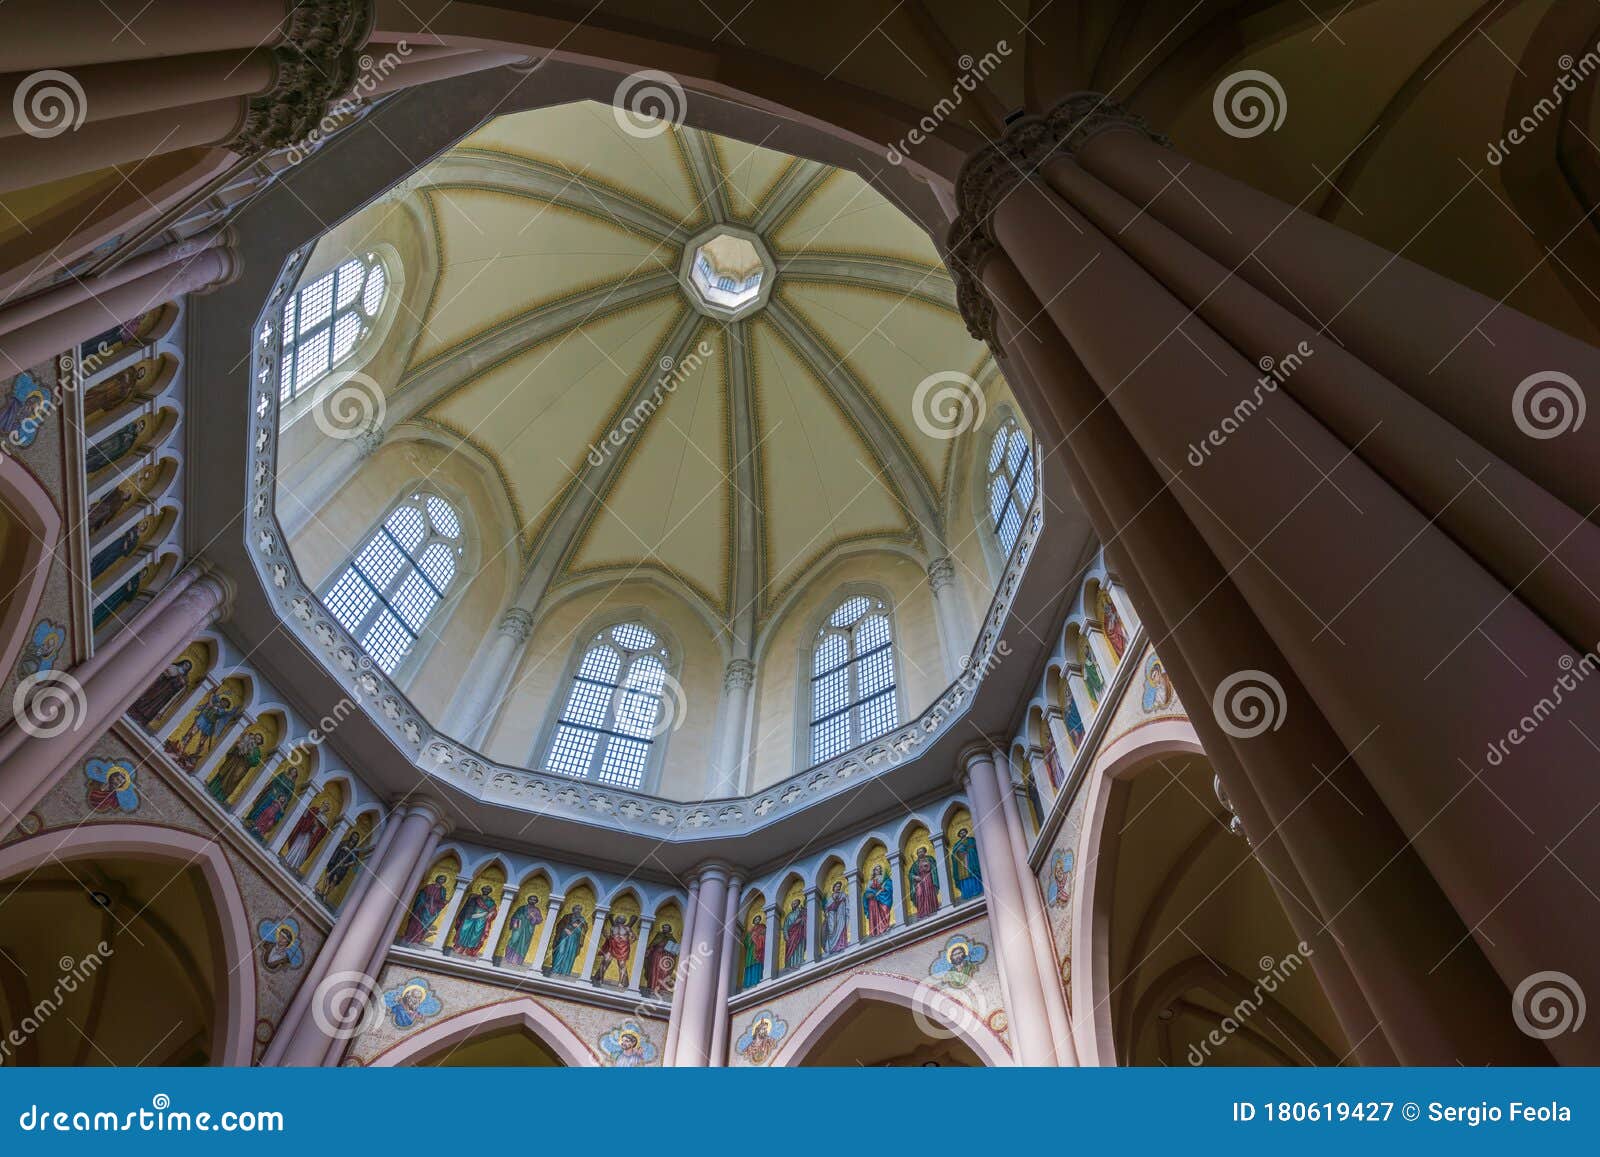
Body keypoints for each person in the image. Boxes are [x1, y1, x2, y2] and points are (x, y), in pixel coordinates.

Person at [591, 912, 638, 985]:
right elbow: (610, 937)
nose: (616, 919)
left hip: (622, 948)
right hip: (613, 946)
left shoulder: (625, 928)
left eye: (617, 918)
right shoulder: (613, 927)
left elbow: (634, 937)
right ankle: (600, 979)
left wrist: (627, 943)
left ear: (620, 920)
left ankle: (621, 983)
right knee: (605, 962)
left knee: (621, 964)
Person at [450, 884, 498, 957]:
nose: (486, 891)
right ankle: (460, 947)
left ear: (490, 891)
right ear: (482, 889)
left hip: (481, 919)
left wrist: (491, 913)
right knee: (464, 930)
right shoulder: (475, 897)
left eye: (488, 890)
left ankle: (468, 950)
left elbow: (493, 910)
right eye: (485, 889)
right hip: (470, 916)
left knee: (476, 933)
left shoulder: (490, 901)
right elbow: (467, 906)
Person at [401, 875, 450, 944]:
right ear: (437, 878)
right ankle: (408, 936)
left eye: (443, 879)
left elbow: (441, 900)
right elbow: (421, 896)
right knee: (414, 922)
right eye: (441, 878)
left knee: (423, 925)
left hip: (432, 910)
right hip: (421, 908)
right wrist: (424, 903)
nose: (441, 880)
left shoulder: (443, 890)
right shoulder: (429, 886)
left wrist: (443, 902)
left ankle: (417, 939)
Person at [501, 894, 544, 966]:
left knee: (523, 944)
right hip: (518, 926)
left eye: (534, 899)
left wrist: (533, 917)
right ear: (528, 899)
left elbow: (539, 920)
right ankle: (508, 957)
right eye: (531, 899)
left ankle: (516, 961)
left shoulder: (536, 910)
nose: (532, 901)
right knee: (514, 940)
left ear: (536, 901)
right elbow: (515, 915)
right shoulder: (522, 908)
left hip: (528, 929)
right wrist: (515, 922)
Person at [548, 904, 589, 975]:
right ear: (573, 909)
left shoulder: (582, 919)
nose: (578, 911)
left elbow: (584, 931)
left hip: (574, 939)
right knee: (560, 951)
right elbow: (559, 925)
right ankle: (555, 969)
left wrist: (580, 926)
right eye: (576, 909)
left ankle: (565, 972)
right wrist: (566, 928)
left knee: (570, 954)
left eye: (579, 909)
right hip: (564, 936)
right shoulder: (567, 916)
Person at [640, 922, 678, 996]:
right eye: (664, 927)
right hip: (656, 955)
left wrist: (671, 952)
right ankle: (652, 987)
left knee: (663, 972)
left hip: (666, 957)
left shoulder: (672, 938)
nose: (665, 929)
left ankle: (660, 988)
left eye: (667, 928)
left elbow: (674, 949)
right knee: (654, 970)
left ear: (670, 930)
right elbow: (652, 945)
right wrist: (649, 951)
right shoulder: (659, 935)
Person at [950, 827, 983, 900]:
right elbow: (953, 854)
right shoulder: (957, 844)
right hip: (961, 865)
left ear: (966, 833)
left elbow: (975, 848)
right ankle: (966, 893)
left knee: (973, 874)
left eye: (963, 832)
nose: (962, 834)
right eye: (961, 833)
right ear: (959, 835)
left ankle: (978, 889)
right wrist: (958, 853)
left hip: (971, 860)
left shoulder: (971, 840)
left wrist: (968, 851)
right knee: (964, 877)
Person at [908, 846, 940, 918]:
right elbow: (910, 874)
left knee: (929, 892)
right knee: (920, 894)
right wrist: (915, 877)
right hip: (919, 881)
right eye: (918, 852)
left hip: (928, 878)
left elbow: (933, 866)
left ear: (925, 852)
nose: (920, 853)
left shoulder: (929, 859)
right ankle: (923, 911)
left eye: (921, 851)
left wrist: (927, 865)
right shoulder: (915, 864)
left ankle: (932, 909)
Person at [821, 880, 850, 955]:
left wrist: (844, 900)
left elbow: (847, 903)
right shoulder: (830, 898)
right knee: (831, 930)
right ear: (833, 888)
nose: (838, 888)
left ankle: (841, 945)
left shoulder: (842, 894)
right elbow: (827, 908)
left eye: (839, 887)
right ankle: (831, 947)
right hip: (832, 916)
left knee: (841, 927)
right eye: (836, 886)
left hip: (840, 915)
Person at [862, 865, 892, 937]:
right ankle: (875, 930)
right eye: (876, 870)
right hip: (874, 899)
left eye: (879, 869)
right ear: (874, 871)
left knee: (885, 909)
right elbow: (867, 892)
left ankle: (885, 926)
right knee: (874, 912)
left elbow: (888, 885)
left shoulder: (884, 878)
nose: (877, 871)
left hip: (883, 897)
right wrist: (868, 895)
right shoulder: (870, 881)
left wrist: (884, 888)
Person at [781, 896, 806, 971]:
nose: (793, 905)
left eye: (795, 903)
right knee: (791, 949)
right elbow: (785, 927)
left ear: (798, 904)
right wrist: (786, 935)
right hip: (791, 935)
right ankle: (791, 964)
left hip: (799, 932)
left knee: (799, 947)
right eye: (792, 904)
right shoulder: (788, 916)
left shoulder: (801, 912)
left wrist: (801, 920)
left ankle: (799, 962)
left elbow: (805, 920)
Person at [742, 912, 766, 988]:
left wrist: (756, 938)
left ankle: (757, 981)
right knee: (749, 965)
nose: (757, 921)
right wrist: (750, 939)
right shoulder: (750, 931)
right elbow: (745, 942)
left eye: (758, 919)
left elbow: (764, 937)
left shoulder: (762, 928)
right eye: (756, 919)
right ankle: (748, 983)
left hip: (758, 950)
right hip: (750, 951)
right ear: (754, 921)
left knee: (757, 963)